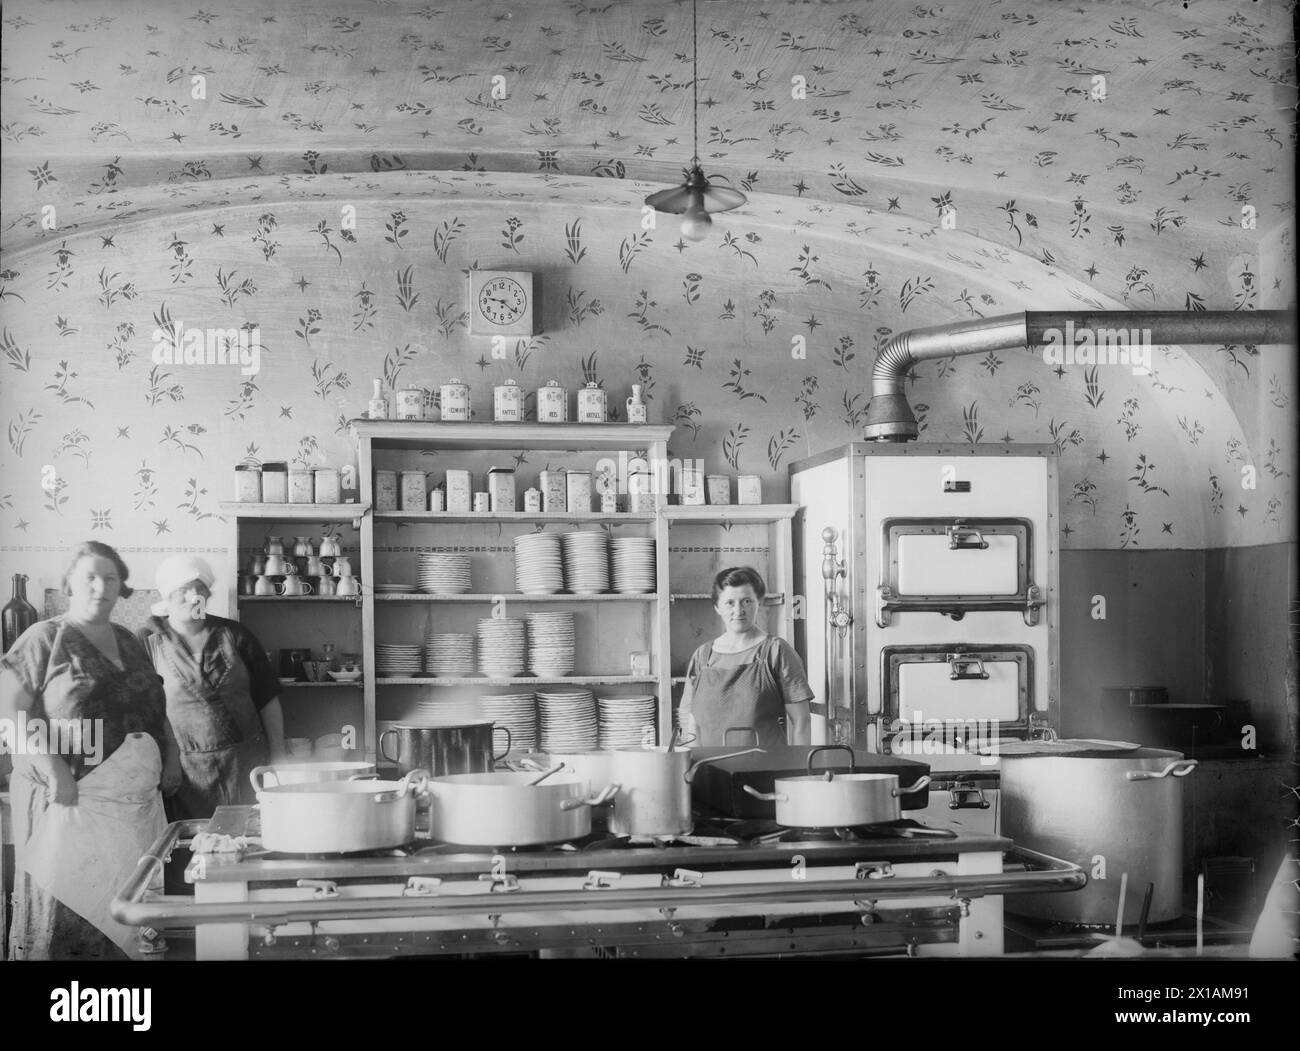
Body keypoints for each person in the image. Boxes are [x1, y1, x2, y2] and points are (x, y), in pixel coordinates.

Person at [0, 541, 181, 960]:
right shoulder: (43, 637)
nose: (101, 586)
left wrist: (171, 756)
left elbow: (155, 708)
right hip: (70, 803)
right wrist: (54, 770)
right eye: (90, 577)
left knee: (128, 915)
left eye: (111, 578)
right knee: (71, 911)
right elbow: (8, 712)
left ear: (122, 588)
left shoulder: (130, 641)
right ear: (69, 585)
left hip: (132, 811)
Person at [137, 554, 285, 820]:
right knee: (191, 848)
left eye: (200, 589)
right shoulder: (148, 640)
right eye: (183, 590)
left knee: (250, 841)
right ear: (167, 595)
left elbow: (267, 698)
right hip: (183, 772)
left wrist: (279, 756)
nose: (194, 597)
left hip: (246, 765)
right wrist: (162, 762)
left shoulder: (236, 634)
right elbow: (142, 711)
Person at [678, 566, 813, 749]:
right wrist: (693, 768)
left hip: (764, 771)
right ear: (717, 607)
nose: (738, 610)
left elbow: (801, 721)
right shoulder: (702, 656)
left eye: (747, 601)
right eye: (730, 603)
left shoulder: (776, 651)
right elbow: (690, 721)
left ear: (759, 602)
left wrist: (799, 771)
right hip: (709, 771)